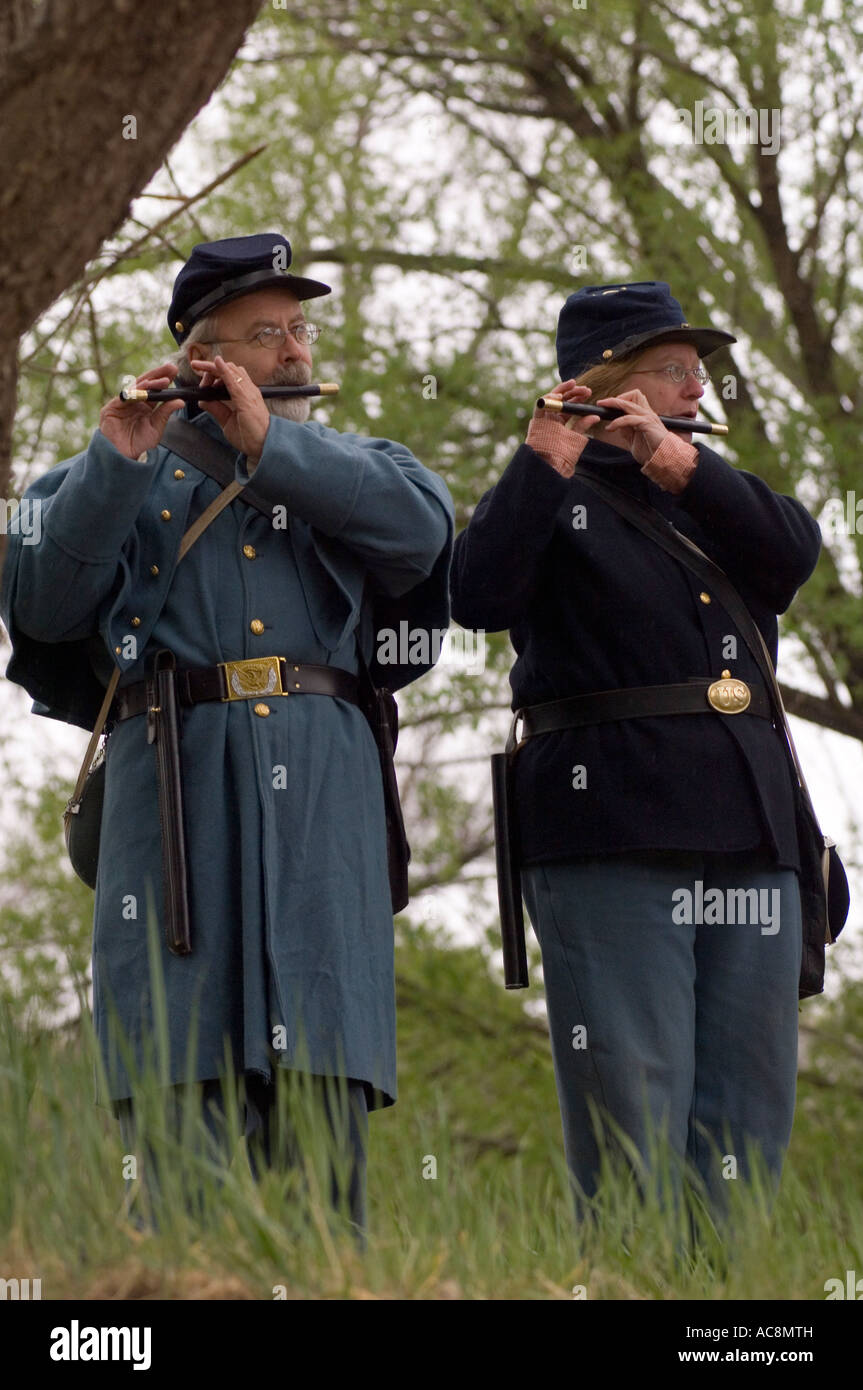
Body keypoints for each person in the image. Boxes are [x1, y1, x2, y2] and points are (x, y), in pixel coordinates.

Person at [1, 232, 454, 1238]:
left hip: (323, 813)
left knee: (319, 1099)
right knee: (180, 1081)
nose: (296, 350)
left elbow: (421, 534)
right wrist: (115, 461)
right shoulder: (115, 469)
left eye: (299, 329)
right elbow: (41, 599)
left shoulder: (355, 463)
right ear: (207, 357)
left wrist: (271, 448)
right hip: (174, 801)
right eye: (267, 333)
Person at [450, 281, 821, 1221]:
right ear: (607, 380)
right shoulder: (547, 491)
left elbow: (791, 558)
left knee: (747, 1112)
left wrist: (675, 460)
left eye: (699, 372)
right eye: (673, 371)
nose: (697, 389)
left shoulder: (710, 489)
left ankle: (730, 1320)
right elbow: (479, 595)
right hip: (607, 827)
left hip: (749, 829)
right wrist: (543, 460)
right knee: (632, 1103)